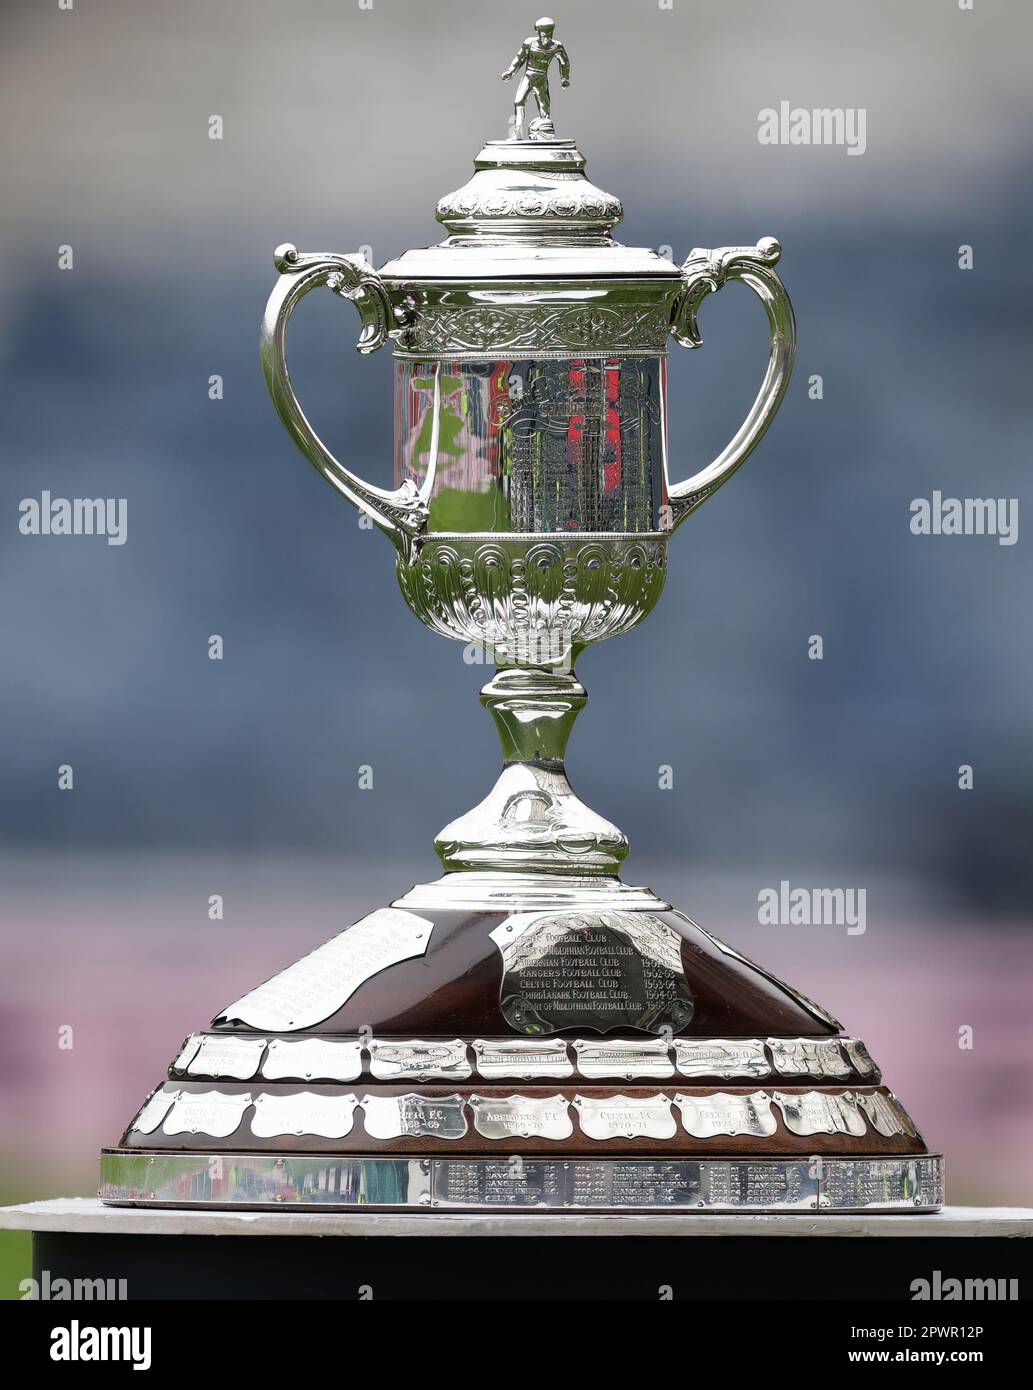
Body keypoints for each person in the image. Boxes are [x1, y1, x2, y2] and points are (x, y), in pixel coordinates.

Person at [501, 17, 571, 139]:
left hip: (542, 79)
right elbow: (520, 58)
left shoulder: (556, 47)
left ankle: (546, 134)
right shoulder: (530, 43)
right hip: (528, 76)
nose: (546, 39)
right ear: (538, 33)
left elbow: (564, 62)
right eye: (543, 36)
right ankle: (517, 133)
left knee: (544, 107)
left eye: (549, 35)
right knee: (519, 101)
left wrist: (564, 78)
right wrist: (511, 71)